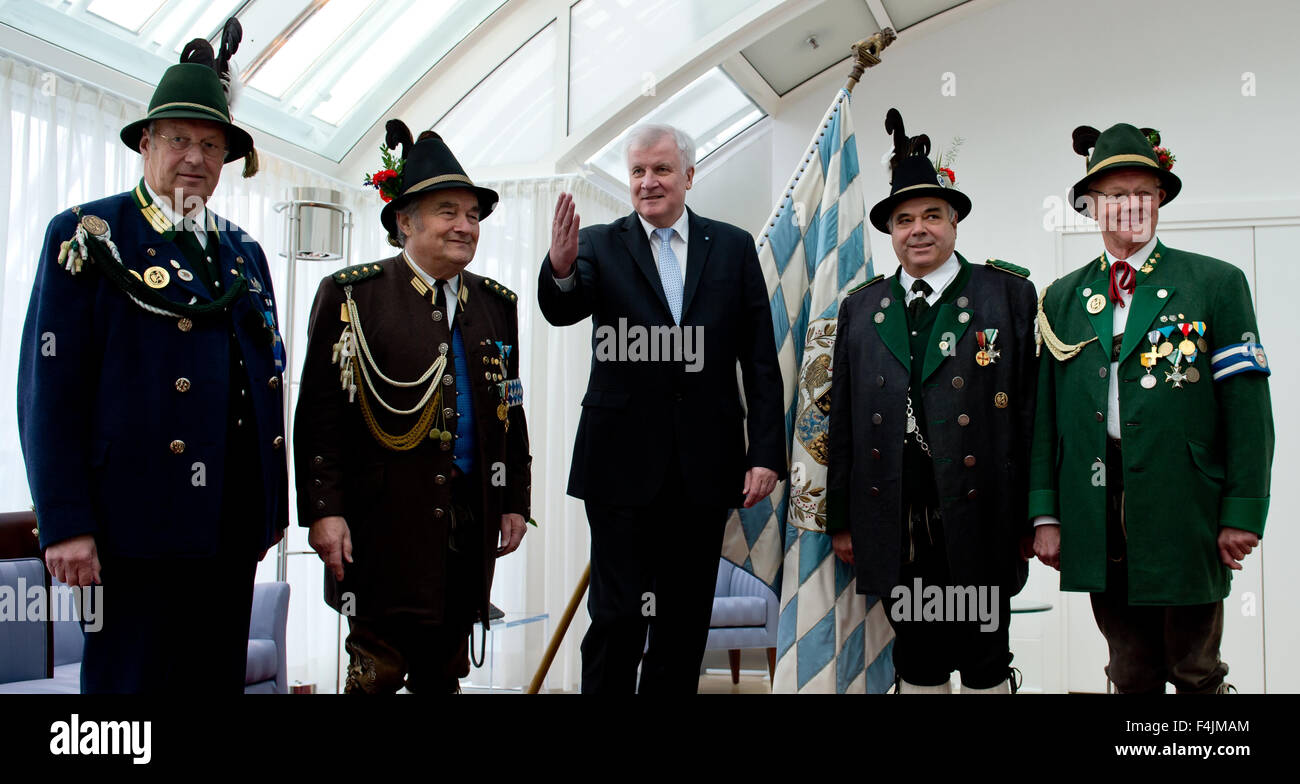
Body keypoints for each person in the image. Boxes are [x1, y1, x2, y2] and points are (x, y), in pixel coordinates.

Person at [17, 20, 287, 693]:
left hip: (226, 531)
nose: (194, 157)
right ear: (146, 143)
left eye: (210, 144)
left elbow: (265, 389)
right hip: (126, 530)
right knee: (126, 699)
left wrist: (268, 513)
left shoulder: (244, 253)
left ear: (226, 159)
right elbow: (50, 390)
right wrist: (65, 522)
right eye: (178, 139)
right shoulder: (90, 235)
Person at [539, 123, 785, 693]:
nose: (648, 182)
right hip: (618, 466)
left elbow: (760, 359)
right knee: (619, 617)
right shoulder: (599, 243)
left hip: (705, 467)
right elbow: (563, 309)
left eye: (662, 169)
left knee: (682, 623)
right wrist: (561, 269)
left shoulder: (731, 246)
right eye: (638, 172)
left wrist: (765, 451)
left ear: (690, 176)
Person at [1030, 123, 1273, 694]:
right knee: (1128, 668)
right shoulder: (1062, 296)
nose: (1128, 206)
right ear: (1091, 207)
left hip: (1187, 503)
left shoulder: (1214, 282)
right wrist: (1045, 515)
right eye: (1113, 195)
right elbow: (1045, 417)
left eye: (1141, 192)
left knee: (1195, 668)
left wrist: (1243, 510)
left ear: (1160, 197)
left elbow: (1248, 409)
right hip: (1096, 504)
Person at [295, 122, 531, 694]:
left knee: (443, 675)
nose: (464, 226)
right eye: (448, 211)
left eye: (473, 215)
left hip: (468, 525)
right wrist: (323, 512)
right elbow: (318, 414)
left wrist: (514, 499)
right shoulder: (352, 294)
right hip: (380, 528)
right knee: (375, 673)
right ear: (405, 223)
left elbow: (511, 408)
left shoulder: (497, 304)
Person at [827, 109, 1037, 694]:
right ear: (890, 232)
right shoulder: (862, 308)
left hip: (984, 514)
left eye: (930, 216)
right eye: (903, 220)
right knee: (917, 656)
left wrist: (1035, 514)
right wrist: (841, 519)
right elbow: (841, 420)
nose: (917, 230)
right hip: (896, 517)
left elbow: (1029, 416)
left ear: (953, 222)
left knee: (985, 656)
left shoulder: (1008, 295)